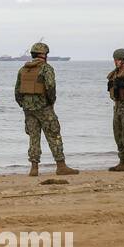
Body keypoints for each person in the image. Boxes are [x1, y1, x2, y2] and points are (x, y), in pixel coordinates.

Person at [14, 42, 79, 176]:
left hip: (28, 109)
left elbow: (17, 92)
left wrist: (24, 105)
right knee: (54, 134)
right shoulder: (46, 68)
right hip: (44, 108)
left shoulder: (23, 69)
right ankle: (61, 166)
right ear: (43, 54)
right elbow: (50, 87)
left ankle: (34, 168)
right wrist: (50, 102)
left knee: (33, 137)